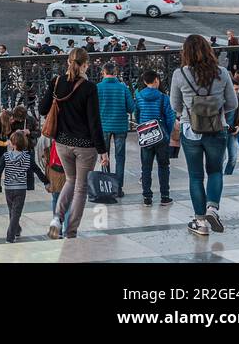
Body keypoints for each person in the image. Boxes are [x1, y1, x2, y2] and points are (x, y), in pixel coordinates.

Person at [170, 34, 238, 236]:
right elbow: (233, 104)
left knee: (195, 176)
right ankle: (212, 209)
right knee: (215, 171)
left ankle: (200, 223)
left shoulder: (179, 74)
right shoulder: (222, 73)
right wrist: (214, 110)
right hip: (217, 129)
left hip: (191, 130)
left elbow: (175, 106)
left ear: (186, 53)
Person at [39, 47, 108, 239]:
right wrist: (103, 150)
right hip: (85, 146)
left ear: (68, 62)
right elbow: (94, 122)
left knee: (70, 180)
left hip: (62, 143)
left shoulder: (57, 82)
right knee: (80, 188)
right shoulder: (89, 88)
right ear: (85, 64)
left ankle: (56, 219)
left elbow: (42, 108)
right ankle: (71, 231)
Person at [0, 130, 47, 242]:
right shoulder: (27, 157)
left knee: (13, 211)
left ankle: (15, 232)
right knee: (15, 213)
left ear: (13, 144)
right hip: (20, 189)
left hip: (9, 188)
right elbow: (37, 170)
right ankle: (12, 235)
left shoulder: (6, 156)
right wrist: (46, 182)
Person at [134, 69, 175, 206]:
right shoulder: (164, 97)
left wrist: (142, 128)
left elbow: (137, 115)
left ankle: (147, 197)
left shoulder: (139, 96)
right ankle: (165, 196)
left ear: (145, 82)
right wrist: (167, 133)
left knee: (146, 167)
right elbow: (170, 117)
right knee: (163, 166)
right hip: (161, 134)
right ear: (156, 80)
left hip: (146, 135)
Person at [97, 60, 137, 196]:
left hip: (103, 126)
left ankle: (106, 187)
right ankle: (118, 188)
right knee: (120, 157)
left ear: (103, 72)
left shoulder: (98, 88)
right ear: (116, 73)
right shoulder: (122, 88)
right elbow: (131, 108)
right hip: (120, 126)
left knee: (104, 155)